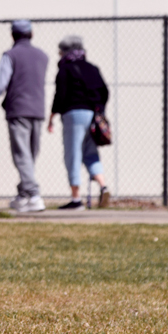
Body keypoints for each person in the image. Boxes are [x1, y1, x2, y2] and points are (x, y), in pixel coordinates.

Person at [0, 19, 48, 213]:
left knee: (22, 155)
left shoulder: (11, 55)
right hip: (38, 110)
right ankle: (23, 195)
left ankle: (33, 194)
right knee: (30, 155)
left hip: (18, 109)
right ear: (31, 34)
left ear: (12, 35)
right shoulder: (43, 56)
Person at [47, 35, 110, 210]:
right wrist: (100, 110)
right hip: (93, 115)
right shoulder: (92, 68)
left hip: (73, 115)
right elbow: (104, 91)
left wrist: (52, 117)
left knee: (73, 154)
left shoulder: (66, 68)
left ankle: (76, 199)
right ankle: (103, 185)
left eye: (61, 50)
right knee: (90, 152)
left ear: (66, 51)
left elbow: (60, 95)